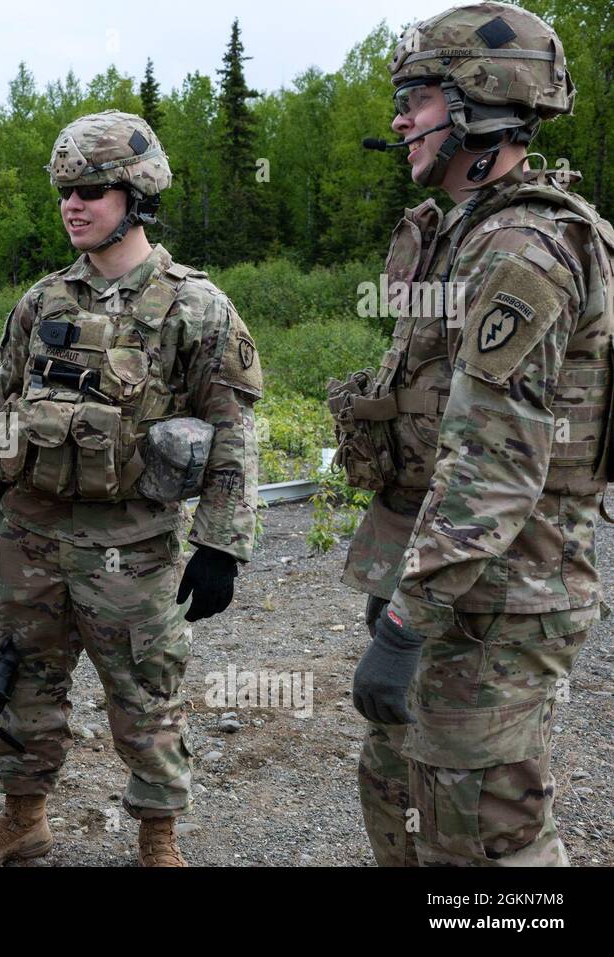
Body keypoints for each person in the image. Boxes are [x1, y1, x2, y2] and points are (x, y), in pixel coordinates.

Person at [334, 2, 614, 865]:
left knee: (484, 837)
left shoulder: (520, 251)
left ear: (480, 105)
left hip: (504, 597)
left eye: (415, 97)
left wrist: (405, 626)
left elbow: (492, 471)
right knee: (400, 799)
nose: (399, 119)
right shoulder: (453, 235)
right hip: (450, 584)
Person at [0, 110, 262, 867]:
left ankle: (159, 838)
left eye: (92, 189)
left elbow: (232, 430)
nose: (72, 205)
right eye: (65, 191)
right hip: (31, 531)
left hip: (132, 542)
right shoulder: (43, 300)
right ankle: (23, 819)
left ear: (138, 195)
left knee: (146, 692)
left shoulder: (196, 306)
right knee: (23, 679)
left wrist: (222, 544)